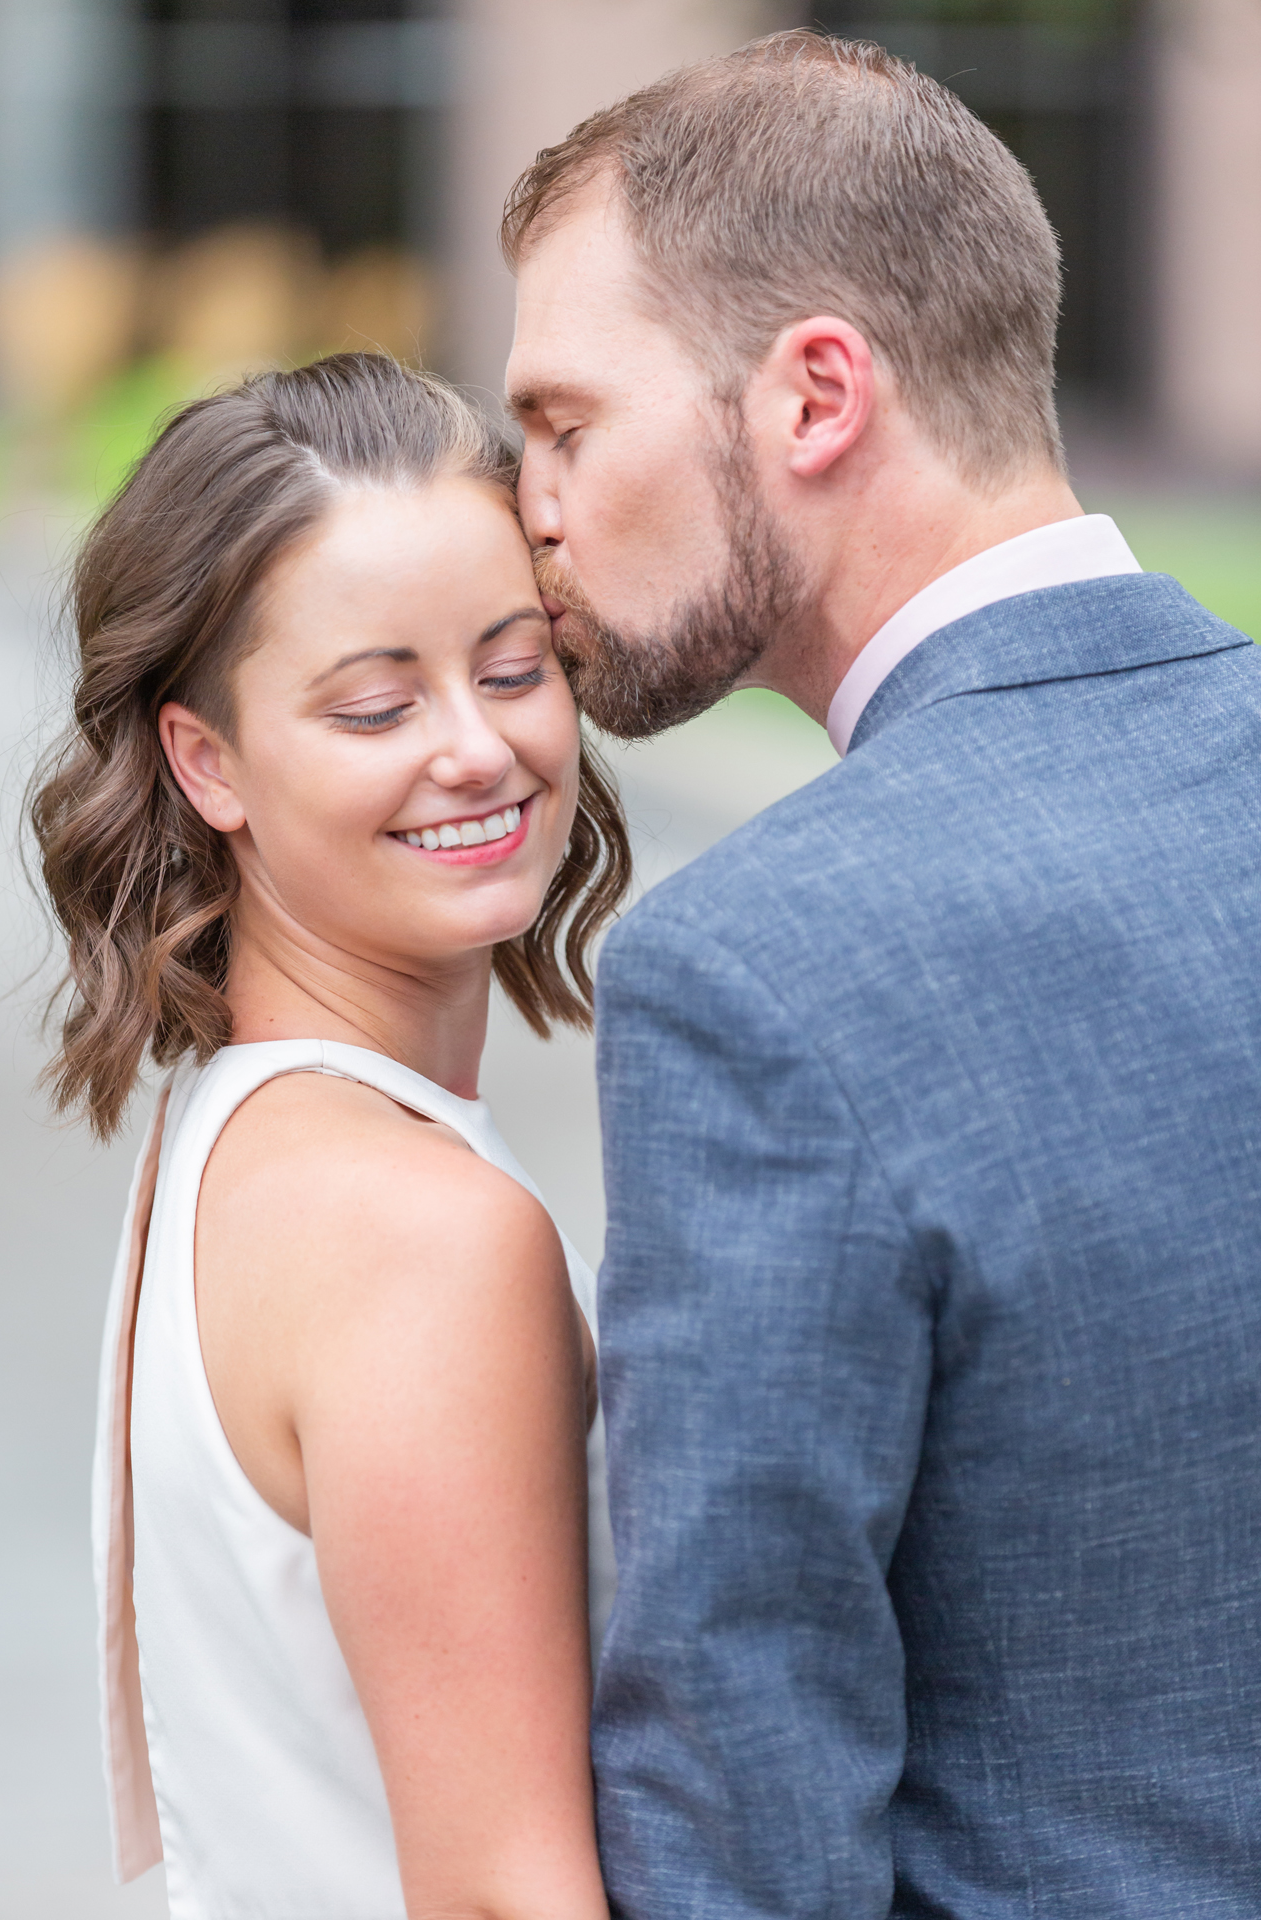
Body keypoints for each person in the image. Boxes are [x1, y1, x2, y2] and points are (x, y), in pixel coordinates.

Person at [505, 30, 1261, 1918]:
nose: (530, 504)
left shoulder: (755, 976)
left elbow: (736, 1800)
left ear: (814, 395)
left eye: (566, 423)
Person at [29, 353, 626, 1920]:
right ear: (204, 759)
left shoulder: (227, 1133)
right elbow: (507, 1897)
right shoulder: (415, 1234)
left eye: (512, 669)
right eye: (376, 703)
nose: (477, 748)